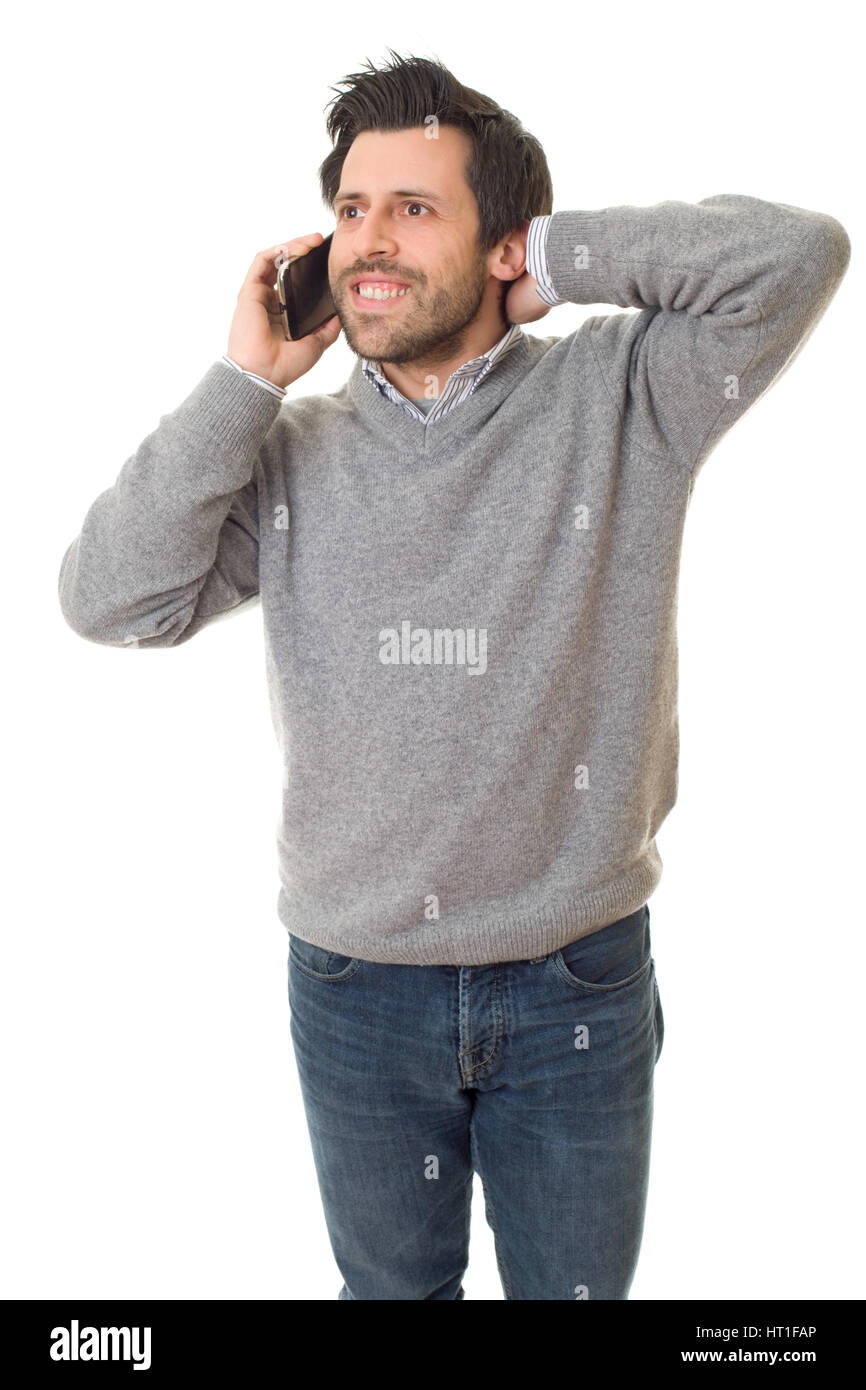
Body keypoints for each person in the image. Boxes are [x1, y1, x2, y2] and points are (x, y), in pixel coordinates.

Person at [57, 50, 850, 1300]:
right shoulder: (284, 453)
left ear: (501, 246)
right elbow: (110, 600)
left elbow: (797, 255)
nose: (367, 240)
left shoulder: (626, 395)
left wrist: (561, 257)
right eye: (351, 210)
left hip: (573, 976)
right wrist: (239, 382)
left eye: (413, 209)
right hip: (353, 984)